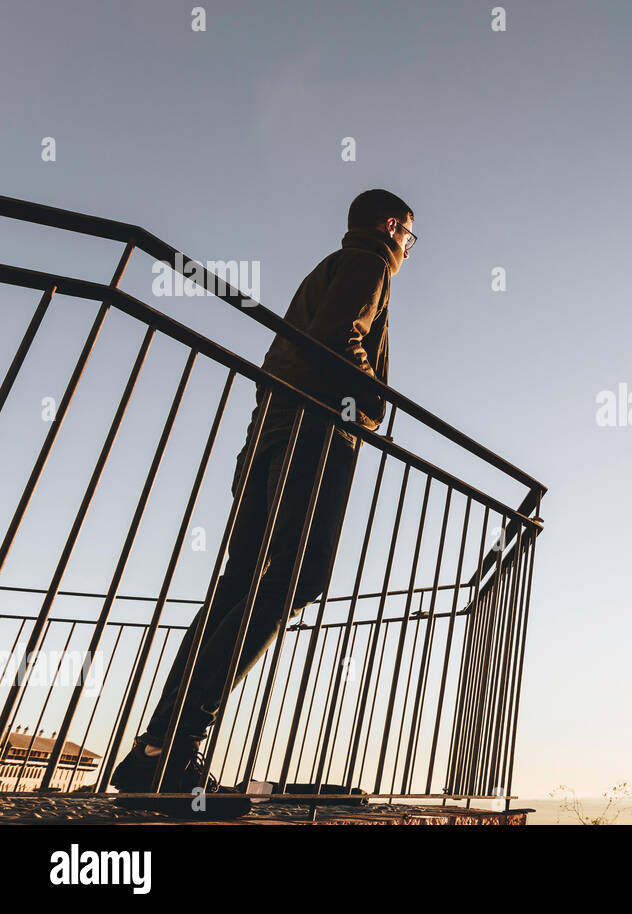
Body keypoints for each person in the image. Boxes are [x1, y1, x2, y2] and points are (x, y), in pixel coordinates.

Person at [111, 190, 415, 797]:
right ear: (390, 226)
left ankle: (154, 748)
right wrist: (371, 408)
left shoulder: (324, 269)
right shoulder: (370, 263)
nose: (408, 247)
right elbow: (339, 338)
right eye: (409, 235)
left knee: (244, 579)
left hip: (270, 434)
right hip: (315, 431)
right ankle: (178, 740)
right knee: (297, 577)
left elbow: (300, 346)